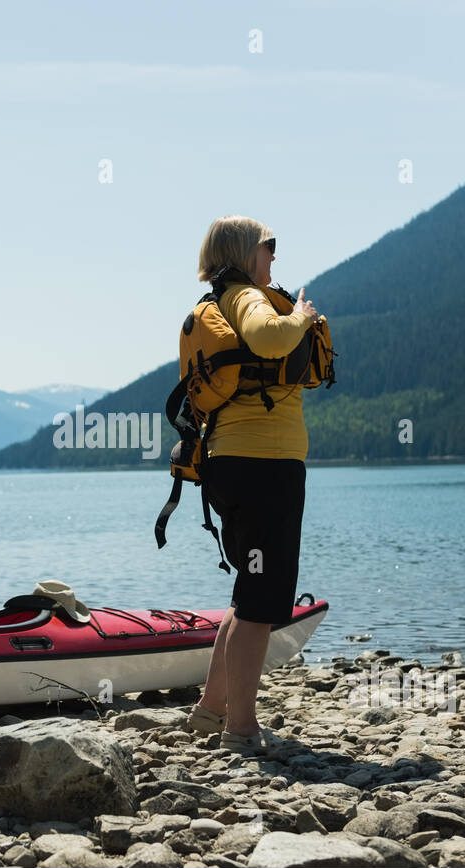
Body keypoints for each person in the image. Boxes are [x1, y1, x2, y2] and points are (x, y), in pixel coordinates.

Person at [184, 215, 319, 756]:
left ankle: (209, 712)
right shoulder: (247, 298)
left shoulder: (222, 300)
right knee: (262, 603)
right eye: (269, 247)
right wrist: (303, 317)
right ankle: (241, 729)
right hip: (264, 467)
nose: (274, 258)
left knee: (248, 594)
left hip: (233, 464)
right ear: (243, 252)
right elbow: (268, 339)